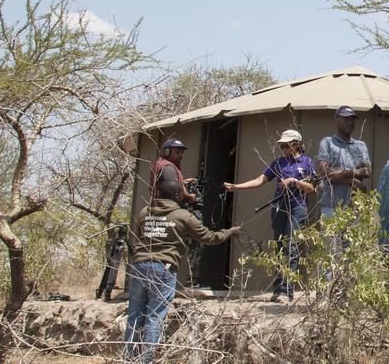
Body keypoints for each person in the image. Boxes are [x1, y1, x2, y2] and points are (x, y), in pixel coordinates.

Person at [123, 179, 240, 363]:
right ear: (176, 195)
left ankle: (129, 358)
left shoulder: (145, 212)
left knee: (135, 315)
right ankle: (146, 360)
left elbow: (139, 237)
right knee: (155, 317)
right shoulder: (183, 216)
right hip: (163, 268)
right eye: (183, 193)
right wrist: (229, 232)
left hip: (139, 266)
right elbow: (208, 237)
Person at [222, 129, 316, 302]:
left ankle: (286, 291)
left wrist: (294, 181)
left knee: (291, 247)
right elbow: (260, 180)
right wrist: (236, 187)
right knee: (280, 246)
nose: (284, 149)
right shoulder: (279, 163)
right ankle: (278, 289)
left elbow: (312, 188)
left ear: (296, 144)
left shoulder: (307, 162)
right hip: (279, 208)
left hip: (297, 207)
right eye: (282, 146)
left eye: (286, 145)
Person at [149, 138, 202, 287]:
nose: (180, 155)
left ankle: (156, 280)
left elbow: (169, 185)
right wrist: (191, 197)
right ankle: (192, 282)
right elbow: (174, 191)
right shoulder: (169, 168)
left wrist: (182, 183)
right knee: (197, 239)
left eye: (181, 152)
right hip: (171, 212)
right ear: (167, 151)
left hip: (161, 212)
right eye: (177, 152)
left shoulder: (162, 165)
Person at [316, 105, 372, 218]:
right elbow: (325, 173)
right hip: (331, 206)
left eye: (352, 120)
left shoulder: (360, 145)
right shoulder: (327, 142)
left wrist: (341, 173)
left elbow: (367, 171)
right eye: (346, 119)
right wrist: (353, 181)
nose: (350, 122)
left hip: (355, 206)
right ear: (336, 120)